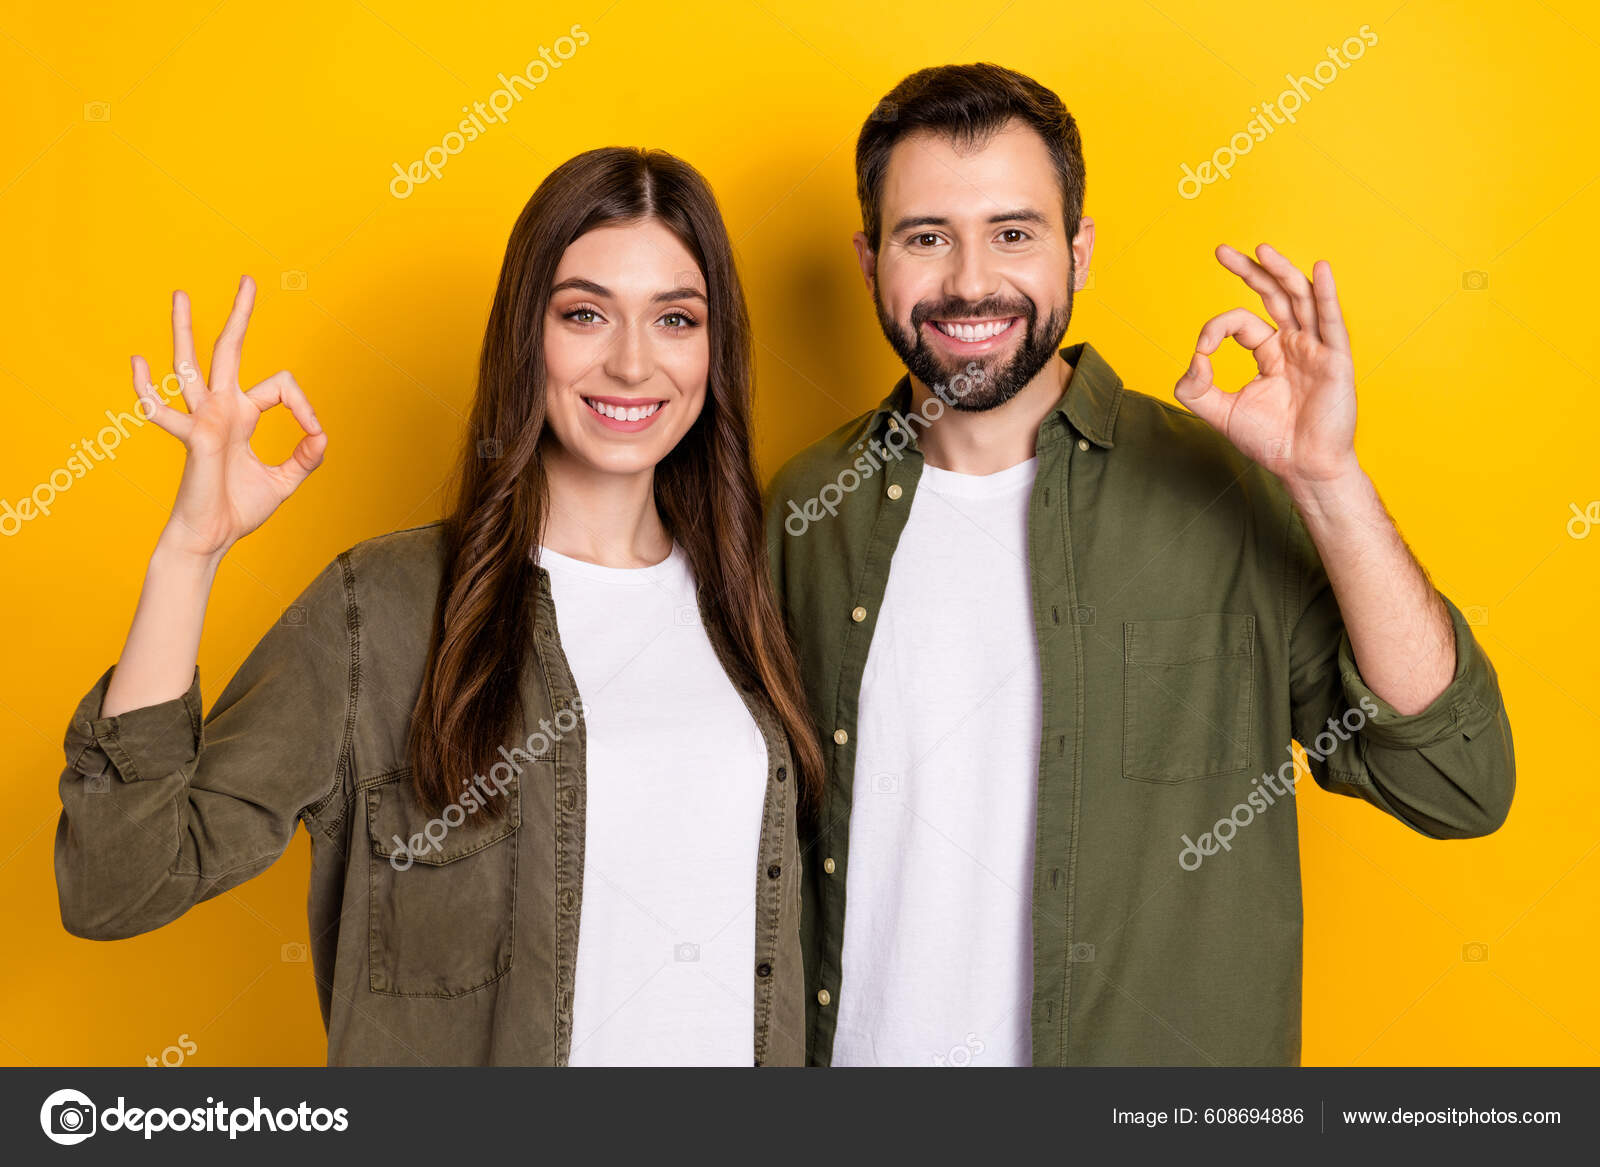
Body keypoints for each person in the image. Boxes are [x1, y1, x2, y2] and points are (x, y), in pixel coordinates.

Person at [766, 63, 1515, 1067]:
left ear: (1077, 249)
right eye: (926, 237)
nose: (971, 281)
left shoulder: (1221, 489)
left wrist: (1327, 480)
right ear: (868, 259)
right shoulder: (799, 512)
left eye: (1014, 233)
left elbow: (1456, 782)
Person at [55, 147, 820, 1067]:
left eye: (676, 318)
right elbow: (118, 885)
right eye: (584, 313)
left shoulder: (755, 604)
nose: (631, 362)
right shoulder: (379, 610)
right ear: (523, 336)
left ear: (713, 347)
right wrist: (190, 551)